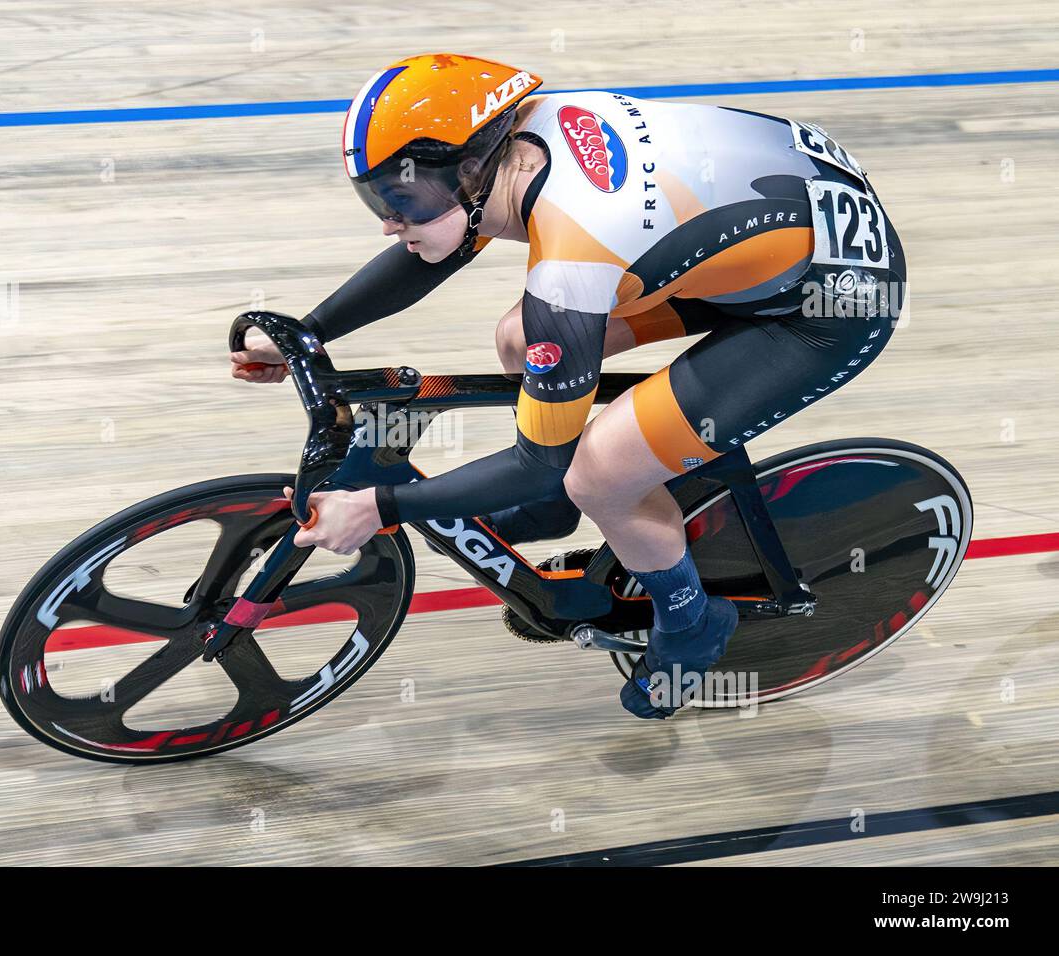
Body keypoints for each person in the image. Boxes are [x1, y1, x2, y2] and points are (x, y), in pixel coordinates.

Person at [229, 53, 906, 719]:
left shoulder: (573, 255)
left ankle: (692, 621)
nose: (388, 220)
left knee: (597, 473)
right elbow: (429, 250)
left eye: (403, 198)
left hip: (826, 310)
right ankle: (558, 509)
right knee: (520, 342)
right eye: (379, 198)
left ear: (471, 168)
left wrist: (381, 506)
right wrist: (309, 335)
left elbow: (537, 459)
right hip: (767, 241)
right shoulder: (518, 141)